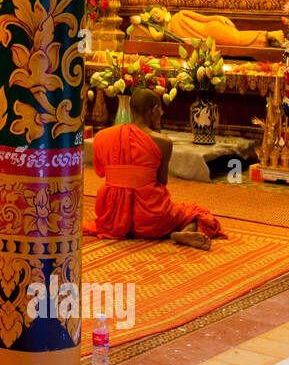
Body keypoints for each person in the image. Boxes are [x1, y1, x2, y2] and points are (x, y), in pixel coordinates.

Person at [84, 88, 224, 249]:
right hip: (150, 220)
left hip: (113, 218)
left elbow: (100, 171)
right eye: (161, 111)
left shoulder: (104, 136)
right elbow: (161, 181)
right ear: (155, 110)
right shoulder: (163, 142)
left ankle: (168, 230)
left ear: (131, 110)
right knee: (198, 212)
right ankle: (185, 231)